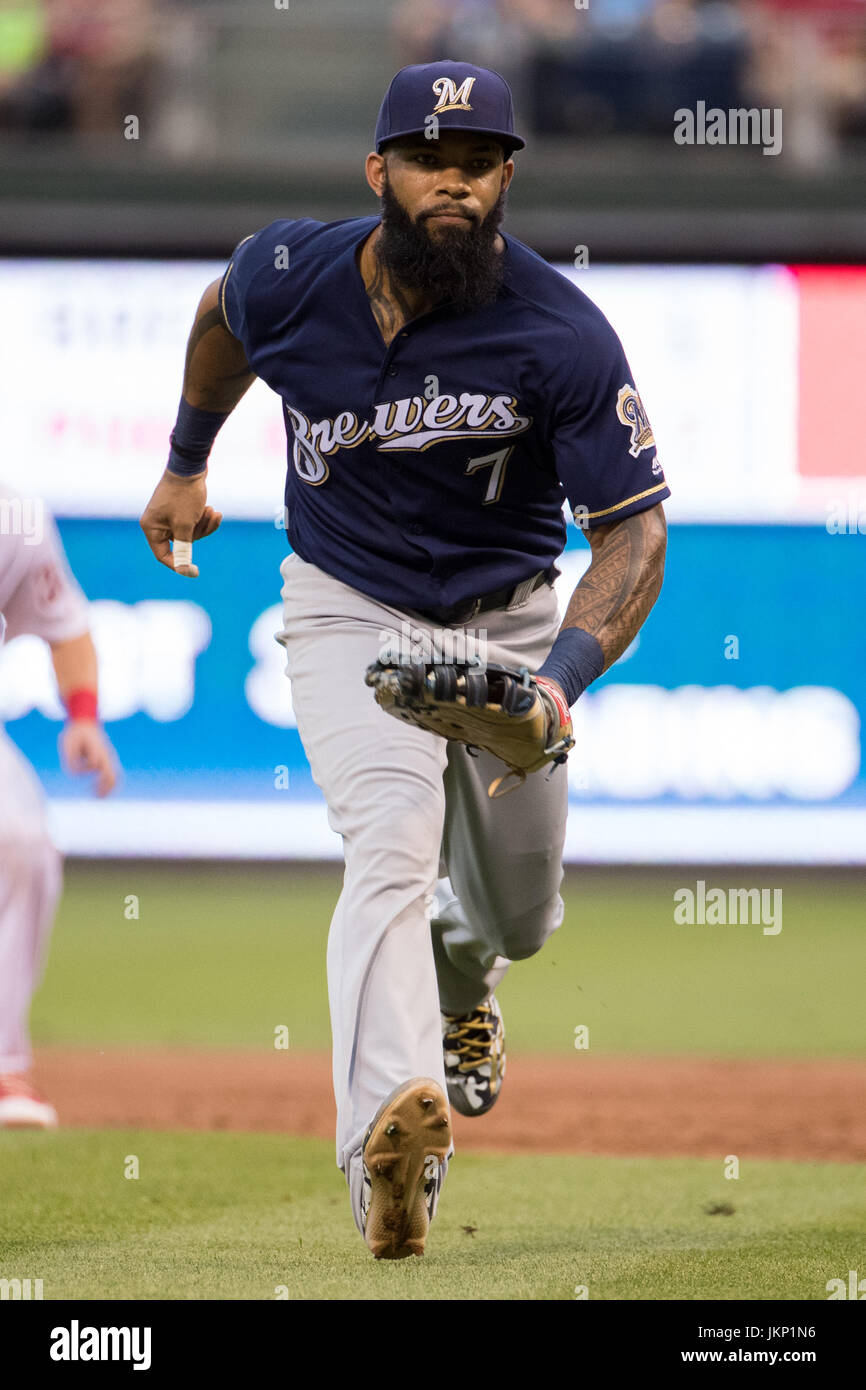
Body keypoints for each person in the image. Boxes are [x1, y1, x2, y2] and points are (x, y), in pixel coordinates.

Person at [139, 60, 668, 1259]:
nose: (454, 185)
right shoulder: (288, 272)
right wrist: (184, 460)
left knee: (519, 914)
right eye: (431, 160)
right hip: (345, 606)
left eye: (478, 164)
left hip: (510, 624)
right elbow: (222, 321)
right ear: (377, 170)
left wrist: (556, 680)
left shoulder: (557, 330)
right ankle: (387, 1132)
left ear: (505, 179)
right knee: (385, 842)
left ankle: (465, 979)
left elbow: (635, 530)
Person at [0, 484, 117, 1126]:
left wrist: (84, 718)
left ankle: (3, 1067)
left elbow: (64, 623)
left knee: (18, 837)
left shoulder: (12, 518)